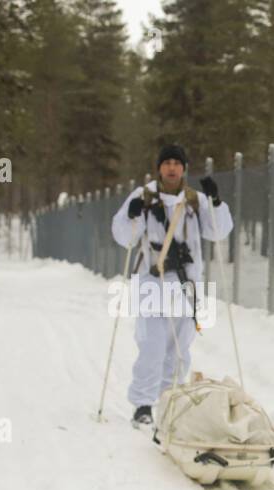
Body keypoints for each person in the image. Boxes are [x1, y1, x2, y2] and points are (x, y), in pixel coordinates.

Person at [111, 144, 234, 426]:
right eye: (166, 162)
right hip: (153, 280)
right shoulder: (143, 196)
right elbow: (125, 237)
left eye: (176, 163)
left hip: (186, 283)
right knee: (151, 345)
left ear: (184, 168)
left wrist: (216, 203)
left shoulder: (195, 200)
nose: (171, 168)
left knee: (179, 350)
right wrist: (132, 214)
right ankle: (143, 404)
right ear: (159, 168)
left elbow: (218, 231)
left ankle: (171, 401)